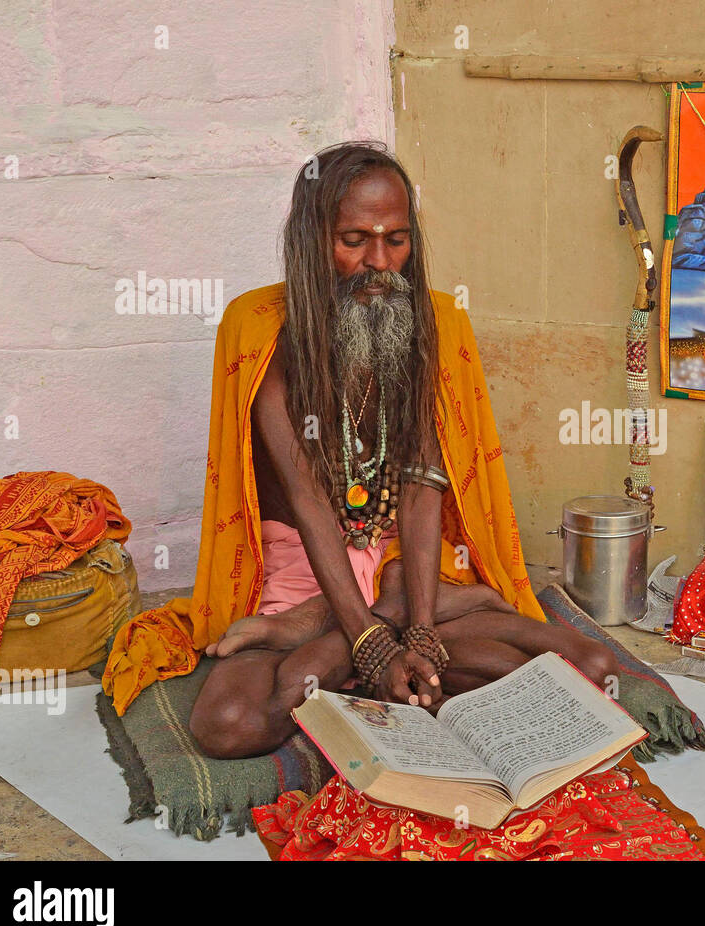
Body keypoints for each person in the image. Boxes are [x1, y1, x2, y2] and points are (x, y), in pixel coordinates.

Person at [101, 142, 615, 758]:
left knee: (592, 665)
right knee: (229, 725)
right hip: (301, 564)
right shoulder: (261, 330)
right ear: (311, 240)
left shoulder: (433, 320)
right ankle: (353, 623)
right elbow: (308, 497)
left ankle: (345, 624)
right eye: (354, 240)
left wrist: (419, 627)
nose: (380, 263)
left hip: (406, 561)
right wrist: (371, 641)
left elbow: (424, 487)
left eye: (396, 240)